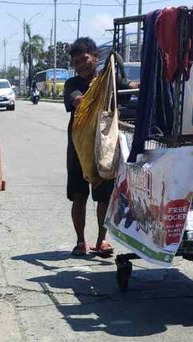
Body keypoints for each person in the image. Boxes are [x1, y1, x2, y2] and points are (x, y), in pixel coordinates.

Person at [64, 37, 114, 258]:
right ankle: (80, 241)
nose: (81, 66)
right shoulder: (72, 84)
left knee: (103, 196)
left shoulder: (108, 79)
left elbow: (127, 86)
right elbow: (75, 99)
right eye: (76, 63)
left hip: (103, 146)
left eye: (84, 59)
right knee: (79, 196)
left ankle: (102, 241)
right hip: (78, 148)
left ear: (95, 56)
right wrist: (82, 100)